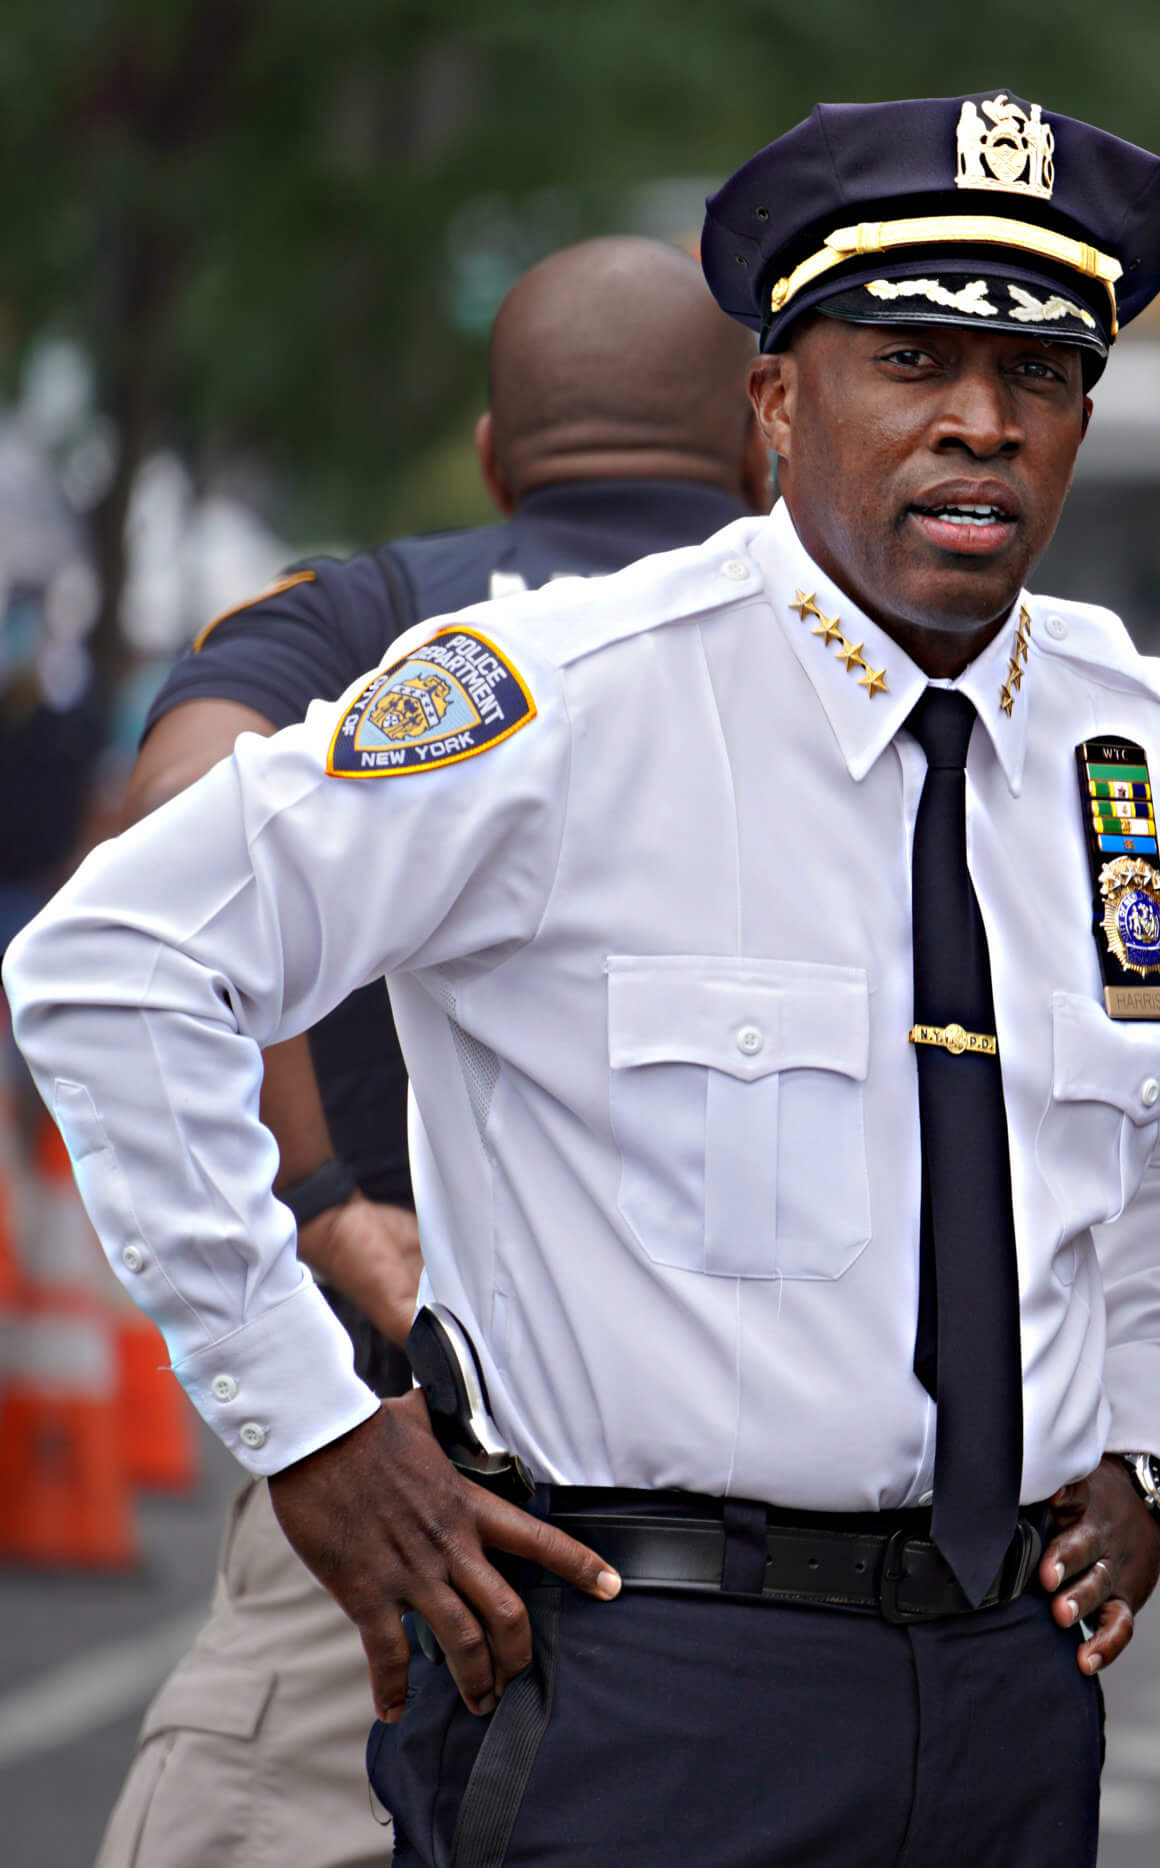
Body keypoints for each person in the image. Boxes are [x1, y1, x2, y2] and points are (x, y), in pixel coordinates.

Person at [9, 91, 1160, 1868]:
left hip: (1009, 1690)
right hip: (646, 1675)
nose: (982, 422)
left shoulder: (1136, 752)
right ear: (776, 402)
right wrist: (304, 1419)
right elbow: (112, 959)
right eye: (913, 356)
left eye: (1043, 373)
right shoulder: (560, 696)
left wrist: (1154, 1445)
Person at [87, 233, 767, 1868]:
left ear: (491, 452)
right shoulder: (863, 658)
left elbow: (172, 840)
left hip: (403, 1499)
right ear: (763, 437)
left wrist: (317, 1192)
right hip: (803, 1583)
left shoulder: (364, 621)